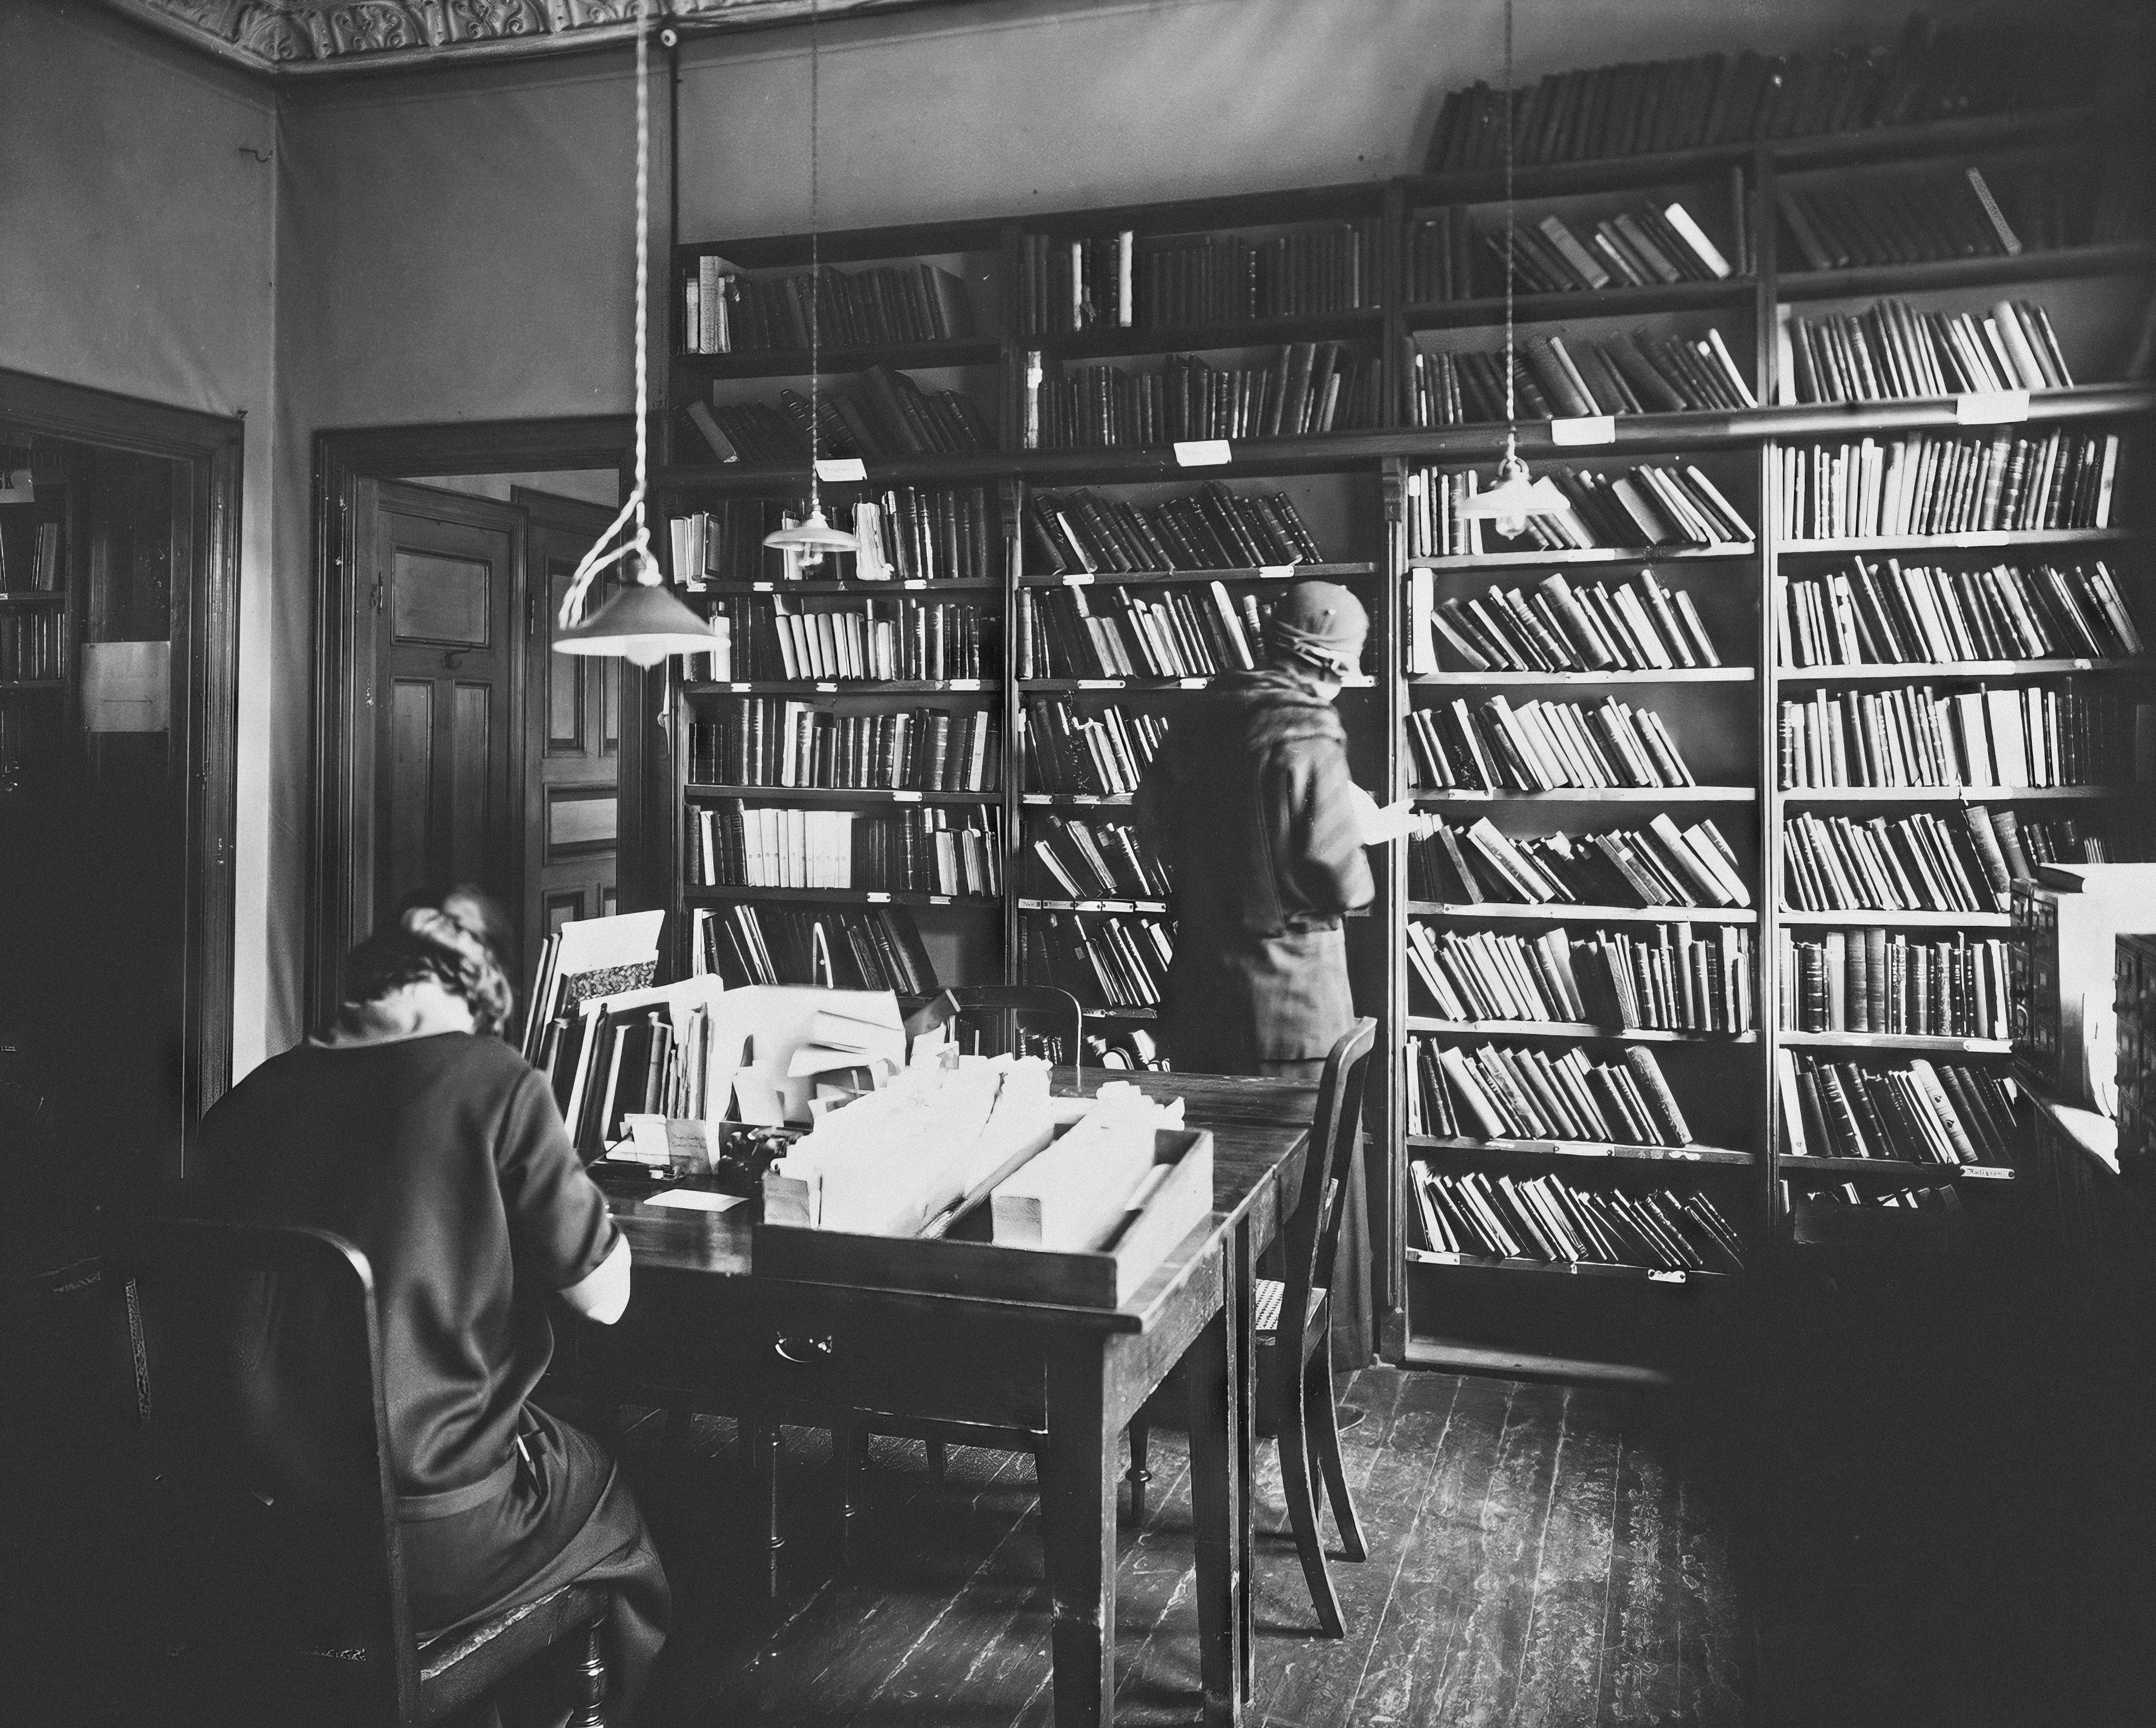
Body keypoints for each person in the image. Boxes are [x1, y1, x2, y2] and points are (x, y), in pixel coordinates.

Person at [188, 888, 667, 1726]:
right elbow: (605, 1301)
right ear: (471, 997)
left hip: (264, 1529)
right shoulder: (494, 1081)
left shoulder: (248, 1100)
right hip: (432, 1537)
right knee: (608, 1499)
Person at [1136, 579, 1378, 1365]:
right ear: (1333, 665)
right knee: (1309, 1180)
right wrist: (1363, 854)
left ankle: (1204, 1359)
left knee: (1209, 1178)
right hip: (1291, 1000)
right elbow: (1337, 875)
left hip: (1201, 985)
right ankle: (1297, 1370)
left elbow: (1151, 825)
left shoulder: (1203, 716)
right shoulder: (1308, 729)